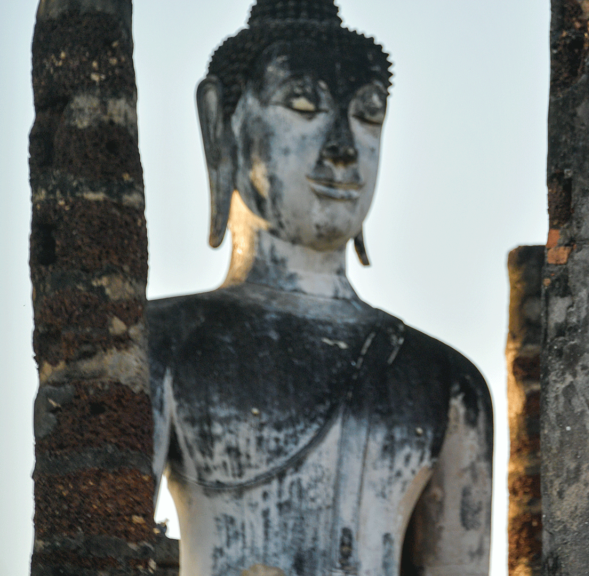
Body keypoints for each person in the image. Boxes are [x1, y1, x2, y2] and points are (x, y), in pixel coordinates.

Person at [148, 2, 492, 575]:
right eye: (303, 105)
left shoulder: (444, 382)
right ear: (220, 123)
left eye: (368, 116)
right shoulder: (165, 345)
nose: (343, 149)